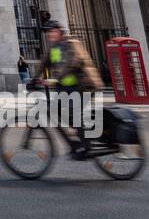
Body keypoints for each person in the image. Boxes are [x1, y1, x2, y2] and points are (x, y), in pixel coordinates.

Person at [39, 20, 102, 155]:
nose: (50, 35)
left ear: (60, 31)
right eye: (48, 33)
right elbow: (43, 63)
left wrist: (55, 79)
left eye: (52, 31)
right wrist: (33, 79)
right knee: (51, 112)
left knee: (75, 114)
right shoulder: (53, 48)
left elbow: (72, 63)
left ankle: (85, 145)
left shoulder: (72, 44)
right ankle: (73, 144)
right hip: (65, 89)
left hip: (83, 86)